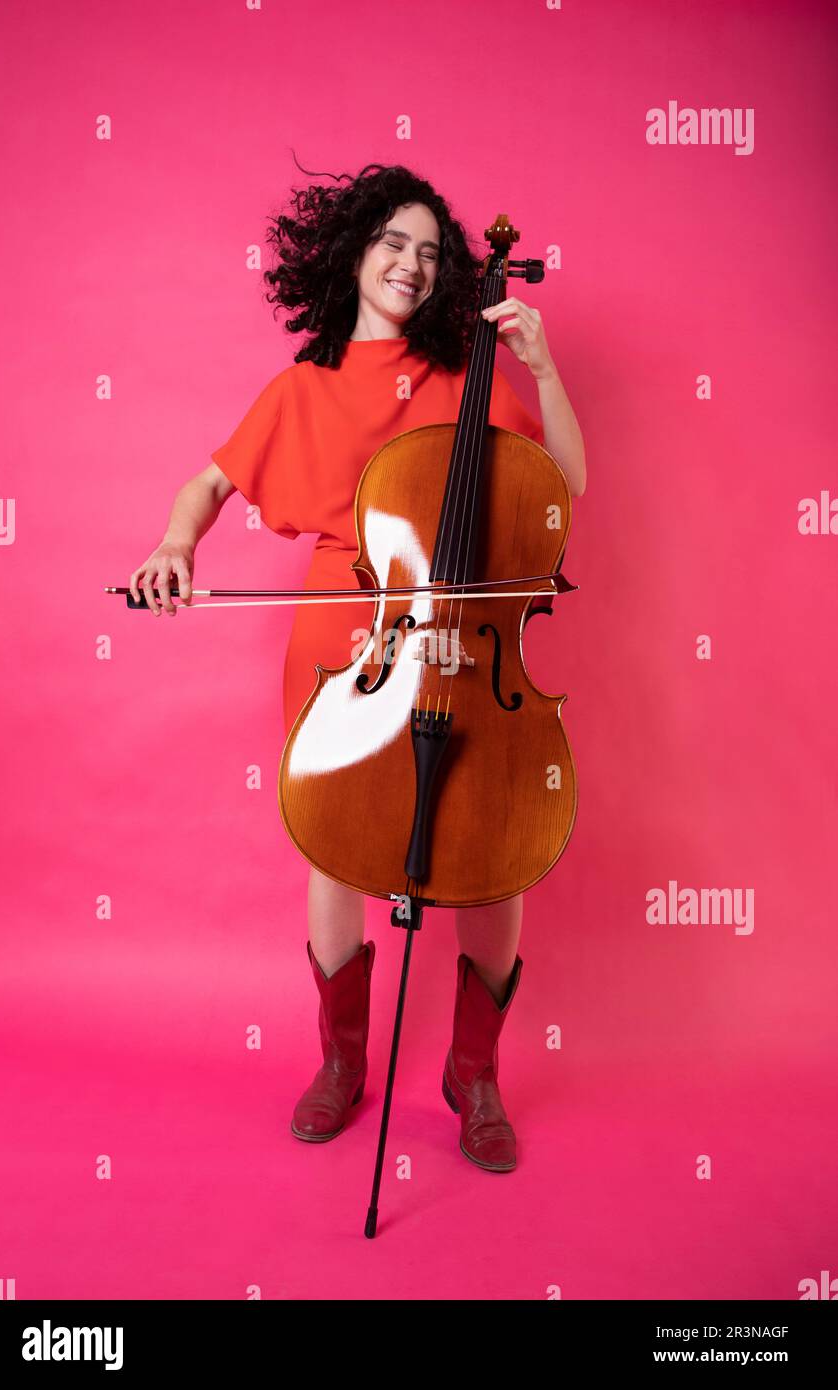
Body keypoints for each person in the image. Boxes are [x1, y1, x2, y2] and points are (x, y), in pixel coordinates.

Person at [129, 162, 586, 1173]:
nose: (412, 264)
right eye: (392, 242)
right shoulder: (300, 386)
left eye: (429, 251)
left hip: (459, 642)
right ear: (351, 254)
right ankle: (341, 1063)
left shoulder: (468, 379)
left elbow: (563, 486)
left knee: (490, 840)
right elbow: (206, 484)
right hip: (343, 638)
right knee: (333, 843)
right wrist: (174, 544)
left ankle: (475, 1073)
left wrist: (542, 370)